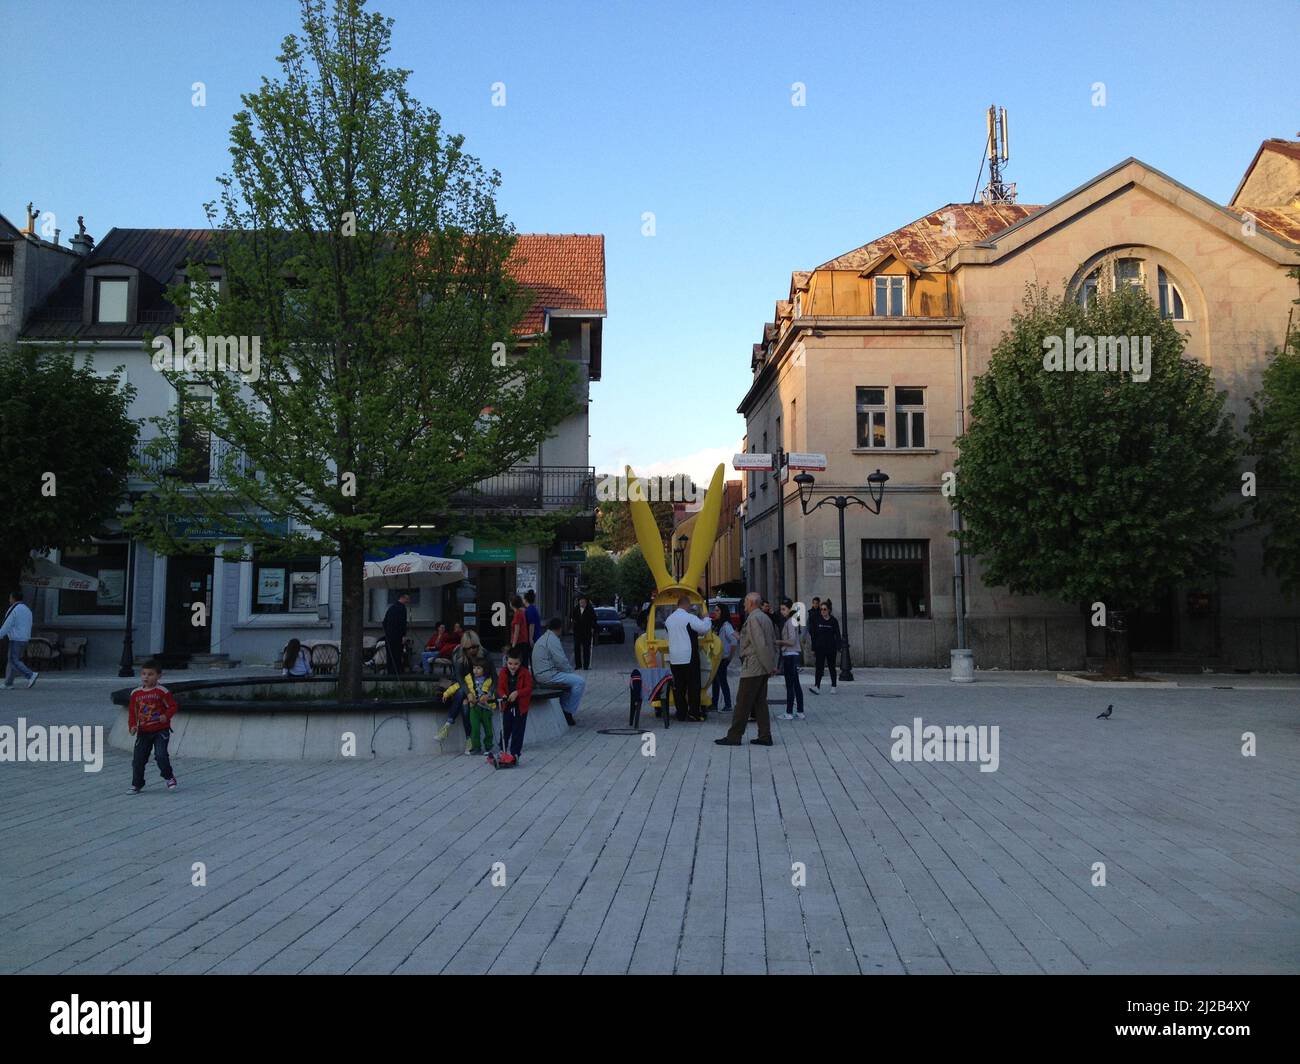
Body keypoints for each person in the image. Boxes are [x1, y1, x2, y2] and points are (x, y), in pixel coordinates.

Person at [716, 592, 777, 747]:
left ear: (751, 603)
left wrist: (769, 666)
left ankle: (734, 736)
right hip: (762, 666)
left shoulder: (754, 619)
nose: (743, 606)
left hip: (754, 667)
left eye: (745, 603)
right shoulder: (764, 617)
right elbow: (772, 643)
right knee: (760, 703)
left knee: (742, 702)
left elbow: (760, 644)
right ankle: (765, 735)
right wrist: (770, 664)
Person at [128, 659, 178, 793]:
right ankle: (137, 784)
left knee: (161, 755)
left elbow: (173, 706)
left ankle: (169, 777)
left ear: (158, 676)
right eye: (144, 674)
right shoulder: (136, 693)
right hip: (143, 731)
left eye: (150, 674)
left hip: (160, 730)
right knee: (138, 759)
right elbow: (133, 712)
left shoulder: (162, 691)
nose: (146, 677)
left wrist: (165, 716)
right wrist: (132, 726)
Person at [438, 629, 494, 751]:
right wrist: (468, 693)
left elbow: (494, 677)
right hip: (463, 686)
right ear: (463, 647)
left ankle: (453, 728)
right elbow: (459, 679)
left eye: (474, 647)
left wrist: (488, 693)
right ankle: (463, 735)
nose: (471, 650)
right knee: (462, 695)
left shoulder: (485, 654)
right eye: (468, 648)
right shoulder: (458, 655)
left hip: (479, 690)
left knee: (465, 703)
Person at [665, 595, 711, 721]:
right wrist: (707, 619)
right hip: (689, 656)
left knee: (679, 687)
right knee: (693, 685)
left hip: (674, 657)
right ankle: (694, 713)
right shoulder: (689, 617)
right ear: (686, 605)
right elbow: (704, 629)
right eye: (690, 605)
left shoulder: (669, 619)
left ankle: (681, 713)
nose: (690, 607)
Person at [532, 617, 585, 725]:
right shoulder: (552, 639)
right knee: (579, 682)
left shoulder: (545, 637)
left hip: (542, 673)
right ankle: (567, 712)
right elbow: (561, 661)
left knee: (569, 683)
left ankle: (564, 708)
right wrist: (570, 673)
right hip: (548, 675)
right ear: (559, 629)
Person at [496, 647, 534, 766]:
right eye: (510, 663)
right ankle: (502, 750)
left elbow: (528, 688)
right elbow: (500, 687)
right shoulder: (503, 672)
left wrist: (517, 693)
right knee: (505, 728)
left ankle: (515, 753)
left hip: (520, 706)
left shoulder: (525, 673)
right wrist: (503, 695)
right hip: (507, 705)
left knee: (518, 730)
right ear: (506, 662)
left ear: (520, 663)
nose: (513, 666)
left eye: (516, 664)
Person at [0, 590, 37, 689]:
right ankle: (8, 683)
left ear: (13, 598)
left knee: (13, 660)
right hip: (25, 638)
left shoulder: (14, 609)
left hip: (16, 638)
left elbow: (7, 624)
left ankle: (30, 675)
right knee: (12, 660)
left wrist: (0, 634)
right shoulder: (27, 609)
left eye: (10, 597)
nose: (9, 599)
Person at [777, 598, 805, 720]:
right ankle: (799, 711)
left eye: (784, 609)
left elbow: (792, 641)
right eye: (781, 609)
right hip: (793, 655)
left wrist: (779, 642)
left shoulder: (790, 621)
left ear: (789, 609)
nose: (782, 611)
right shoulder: (792, 621)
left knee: (790, 684)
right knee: (796, 684)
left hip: (790, 655)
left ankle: (789, 712)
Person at [711, 604, 738, 714]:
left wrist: (730, 657)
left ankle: (727, 704)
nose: (715, 612)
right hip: (717, 658)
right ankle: (715, 704)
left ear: (723, 612)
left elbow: (734, 641)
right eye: (715, 610)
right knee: (715, 681)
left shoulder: (726, 625)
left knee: (722, 681)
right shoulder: (718, 624)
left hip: (722, 659)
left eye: (717, 610)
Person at [809, 601, 841, 694]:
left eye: (824, 609)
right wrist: (813, 648)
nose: (822, 611)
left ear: (829, 610)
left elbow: (837, 634)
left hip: (831, 648)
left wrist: (839, 646)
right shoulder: (817, 620)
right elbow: (814, 635)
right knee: (819, 668)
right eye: (821, 609)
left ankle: (833, 686)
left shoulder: (833, 621)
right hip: (820, 648)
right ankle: (817, 686)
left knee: (832, 667)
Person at [466, 661, 495, 758]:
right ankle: (476, 747)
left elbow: (493, 691)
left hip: (486, 707)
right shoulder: (469, 679)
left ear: (484, 669)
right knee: (475, 728)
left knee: (488, 728)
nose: (475, 670)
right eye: (474, 668)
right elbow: (458, 686)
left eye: (478, 668)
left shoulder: (489, 680)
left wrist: (488, 696)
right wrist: (446, 693)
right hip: (474, 707)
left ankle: (489, 747)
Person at [382, 592, 410, 675]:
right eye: (407, 599)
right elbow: (402, 623)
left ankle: (390, 672)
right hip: (398, 636)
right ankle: (397, 672)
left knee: (390, 655)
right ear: (402, 598)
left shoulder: (391, 608)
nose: (408, 601)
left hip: (389, 636)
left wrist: (387, 632)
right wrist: (403, 635)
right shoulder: (402, 608)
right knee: (397, 654)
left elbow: (384, 622)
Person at [572, 595, 598, 670]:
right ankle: (578, 665)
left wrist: (593, 627)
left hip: (587, 631)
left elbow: (594, 619)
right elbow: (573, 618)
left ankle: (586, 665)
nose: (582, 603)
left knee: (586, 648)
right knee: (577, 647)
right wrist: (573, 624)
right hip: (577, 631)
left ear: (586, 602)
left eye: (583, 602)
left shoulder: (590, 609)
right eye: (580, 602)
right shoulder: (576, 609)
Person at [510, 595, 532, 667]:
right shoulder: (521, 612)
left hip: (519, 642)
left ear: (512, 604)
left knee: (519, 663)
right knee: (523, 662)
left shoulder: (517, 614)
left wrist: (513, 645)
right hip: (523, 641)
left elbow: (517, 631)